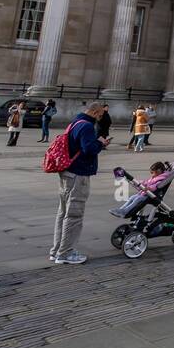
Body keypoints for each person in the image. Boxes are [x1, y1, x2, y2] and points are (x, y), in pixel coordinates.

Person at [49, 100, 109, 266]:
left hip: (67, 173)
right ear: (95, 112)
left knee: (62, 213)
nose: (100, 118)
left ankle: (56, 251)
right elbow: (88, 149)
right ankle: (65, 253)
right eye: (100, 115)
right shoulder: (87, 126)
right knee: (74, 215)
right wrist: (101, 143)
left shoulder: (75, 123)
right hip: (78, 174)